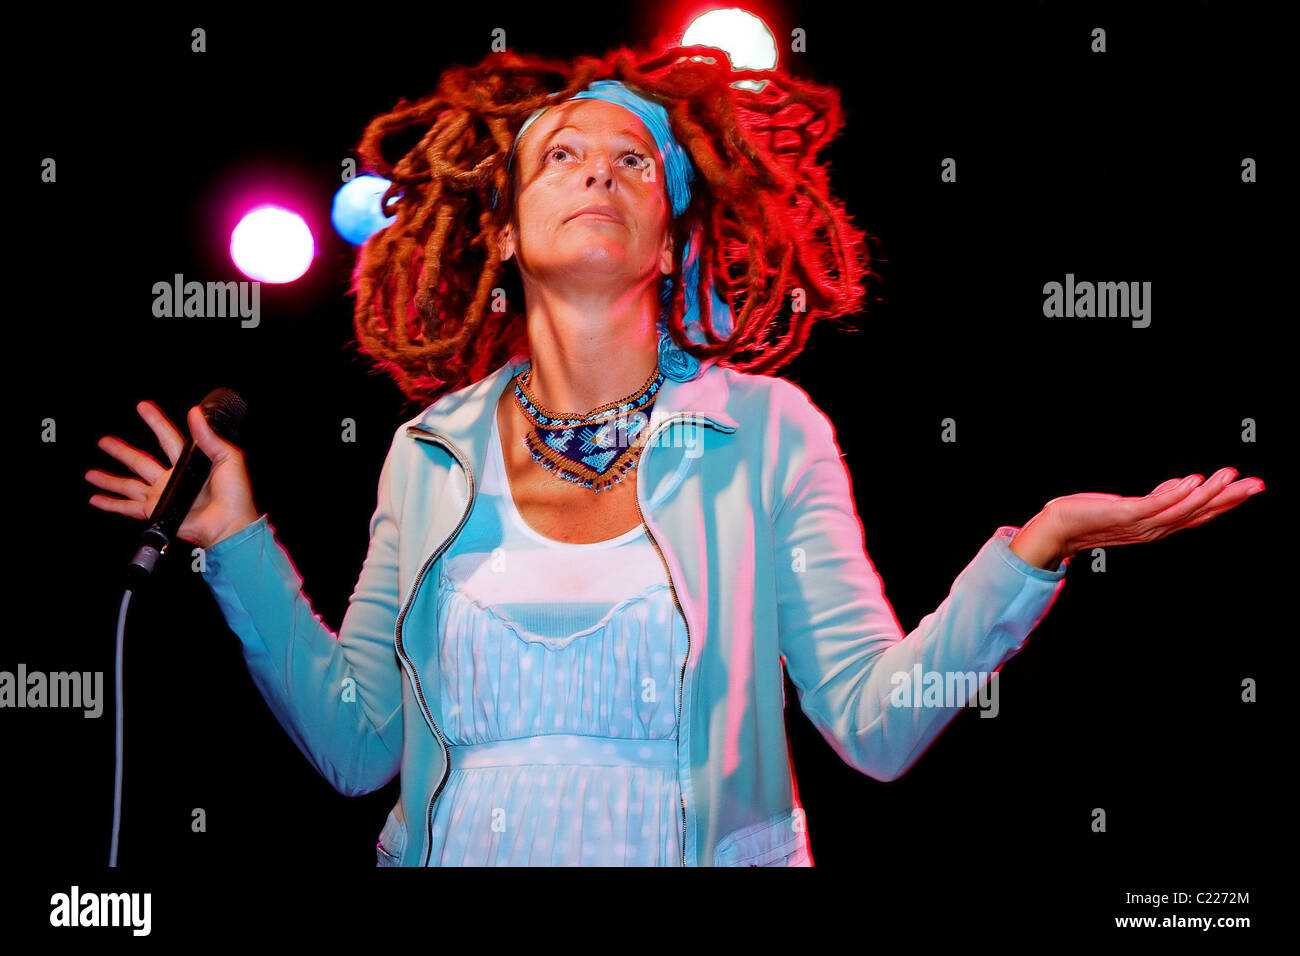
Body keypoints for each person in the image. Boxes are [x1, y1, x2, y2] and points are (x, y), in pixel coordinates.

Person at [84, 45, 1264, 866]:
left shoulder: (767, 432)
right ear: (498, 230)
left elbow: (876, 725)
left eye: (633, 161)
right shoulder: (428, 452)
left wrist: (1036, 550)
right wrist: (233, 543)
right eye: (560, 157)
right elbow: (354, 748)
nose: (599, 170)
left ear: (668, 235)